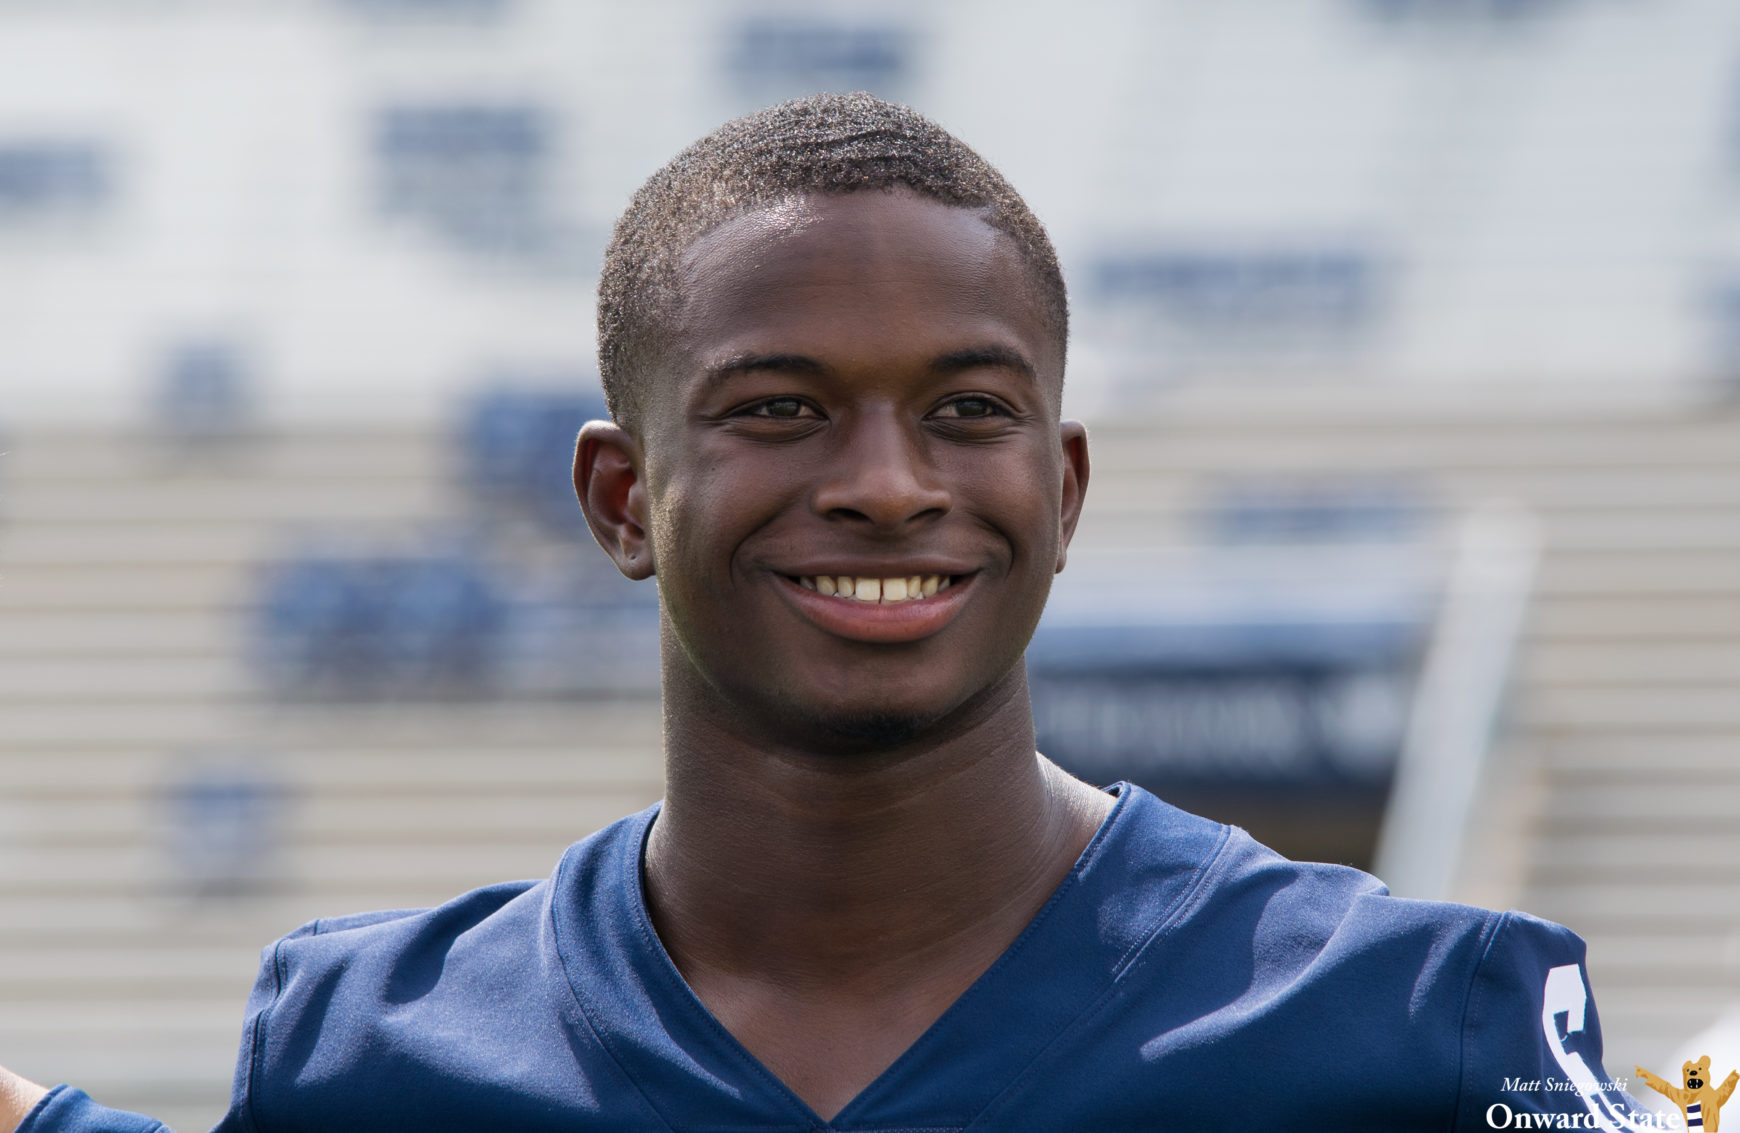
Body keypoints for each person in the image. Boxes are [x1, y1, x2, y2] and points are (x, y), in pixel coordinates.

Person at [0, 93, 1657, 1132]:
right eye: (780, 408)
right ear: (621, 498)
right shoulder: (369, 1053)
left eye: (968, 410)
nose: (884, 482)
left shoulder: (1422, 1024)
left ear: (1064, 489)